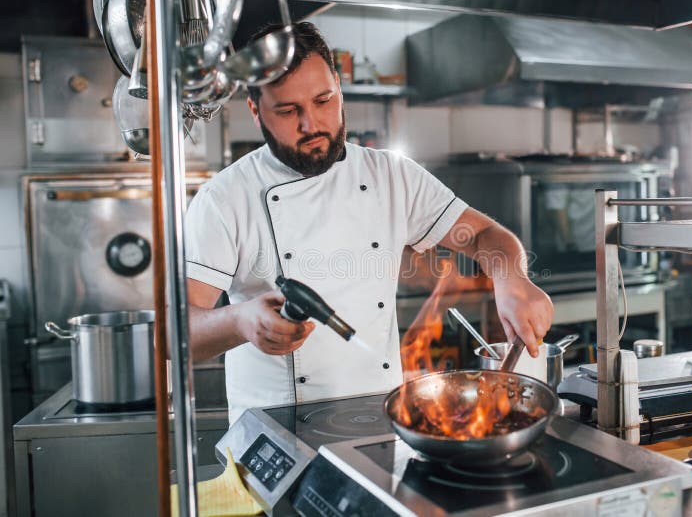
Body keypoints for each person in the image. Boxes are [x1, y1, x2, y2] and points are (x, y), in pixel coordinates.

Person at [185, 22, 554, 424]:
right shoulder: (225, 198)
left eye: (324, 100)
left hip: (378, 423)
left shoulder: (391, 175)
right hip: (276, 430)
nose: (312, 124)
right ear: (256, 110)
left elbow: (482, 234)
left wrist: (512, 277)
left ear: (339, 90)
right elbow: (176, 334)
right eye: (288, 111)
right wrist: (238, 321)